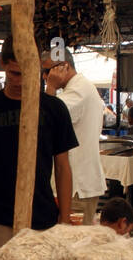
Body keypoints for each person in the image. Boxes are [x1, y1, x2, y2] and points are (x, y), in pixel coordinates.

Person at [0, 36, 77, 255]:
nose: (21, 81)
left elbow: (62, 166)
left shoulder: (54, 108)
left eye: (28, 73)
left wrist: (64, 219)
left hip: (42, 218)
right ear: (3, 64)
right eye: (15, 73)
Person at [44, 49, 107, 225]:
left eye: (48, 71)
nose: (45, 77)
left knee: (73, 244)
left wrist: (50, 87)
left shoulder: (79, 90)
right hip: (76, 184)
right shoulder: (77, 88)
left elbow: (48, 117)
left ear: (64, 67)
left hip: (76, 187)